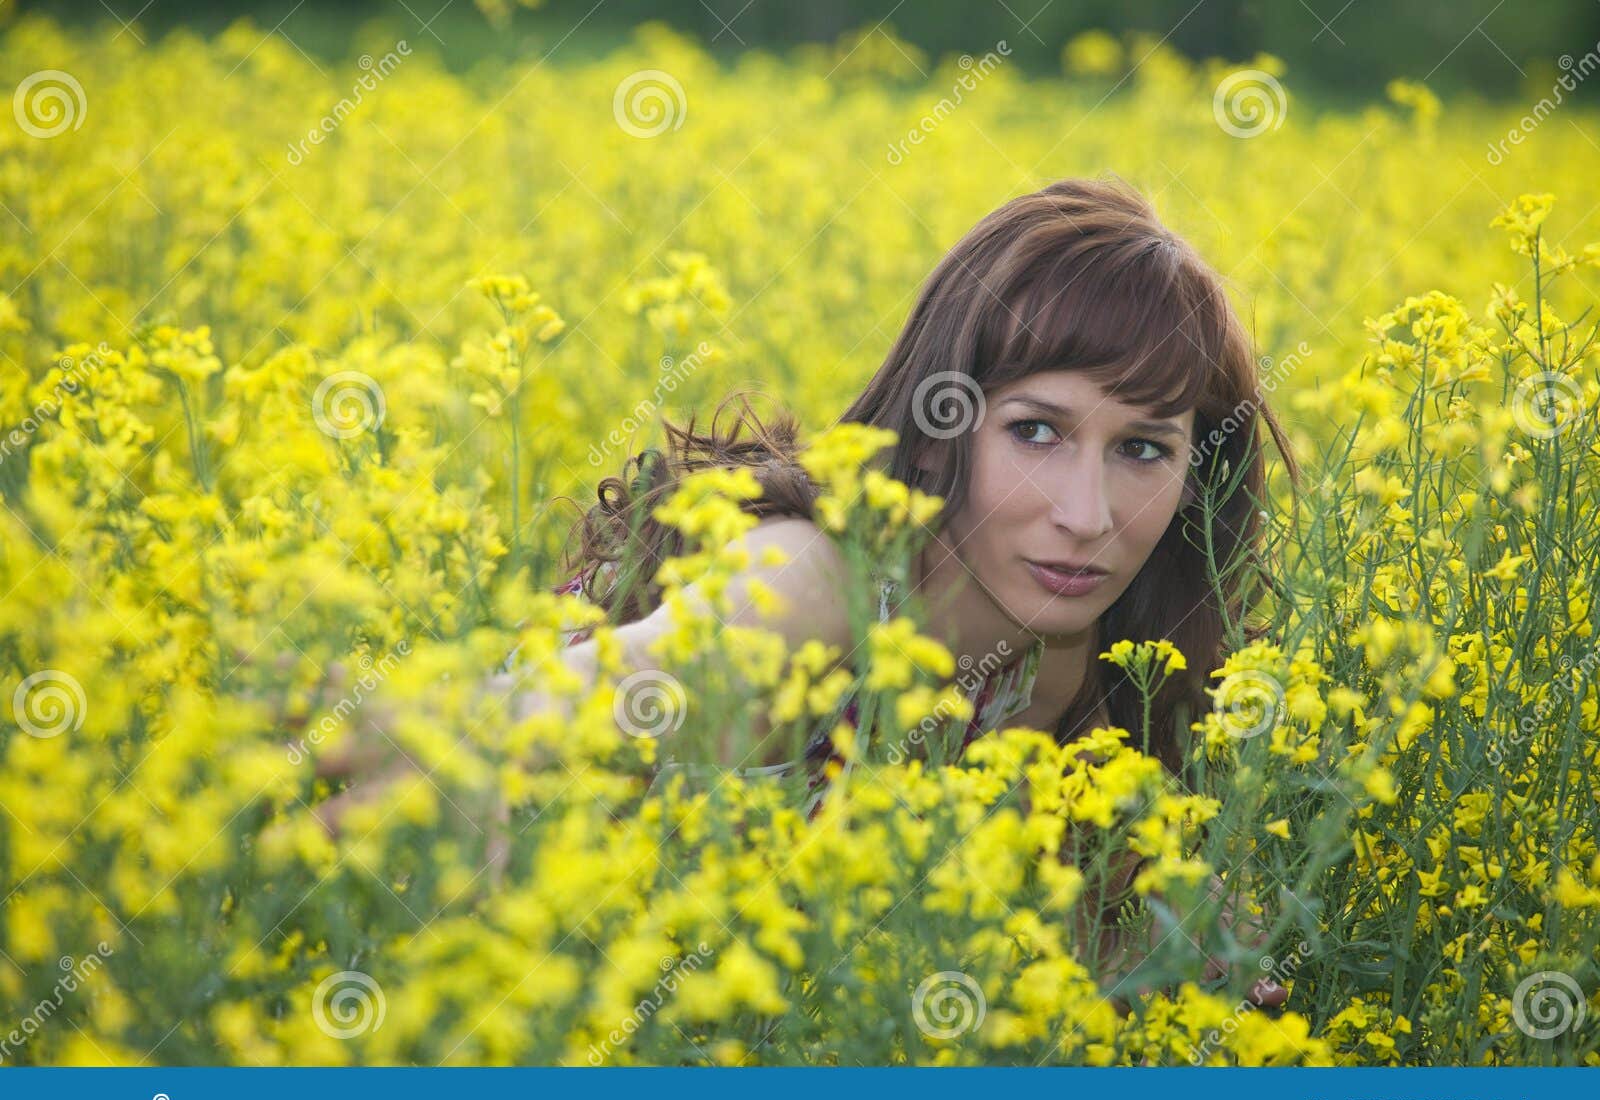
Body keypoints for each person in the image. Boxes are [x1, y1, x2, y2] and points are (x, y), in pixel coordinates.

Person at [310, 174, 1300, 1012]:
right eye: (1035, 430)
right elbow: (674, 655)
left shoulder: (1140, 703)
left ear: (1198, 471)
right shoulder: (817, 579)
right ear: (940, 420)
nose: (1085, 513)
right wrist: (480, 729)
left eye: (1141, 448)